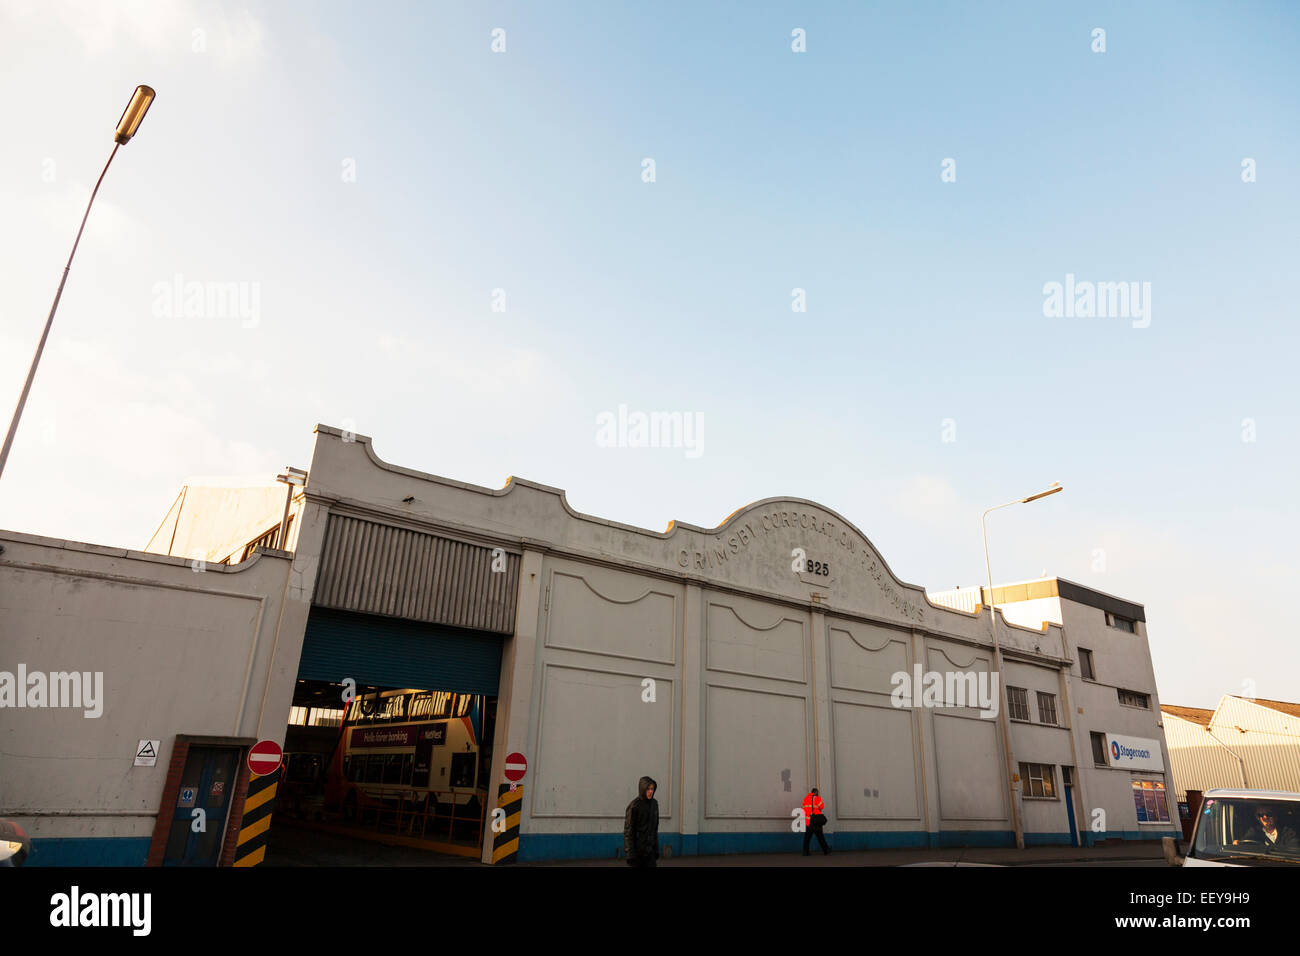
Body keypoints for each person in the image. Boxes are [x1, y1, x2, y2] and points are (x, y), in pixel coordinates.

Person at [624, 775, 660, 867]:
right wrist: (630, 854)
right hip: (637, 853)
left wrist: (656, 849)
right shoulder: (634, 806)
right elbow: (629, 832)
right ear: (642, 789)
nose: (650, 791)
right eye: (648, 789)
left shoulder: (654, 804)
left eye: (652, 789)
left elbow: (654, 829)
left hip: (650, 852)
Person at [802, 787, 830, 856]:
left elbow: (804, 809)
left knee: (807, 838)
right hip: (816, 821)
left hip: (809, 821)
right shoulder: (816, 798)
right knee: (820, 836)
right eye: (817, 793)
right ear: (816, 792)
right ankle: (826, 850)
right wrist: (819, 799)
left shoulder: (805, 799)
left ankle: (806, 852)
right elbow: (822, 806)